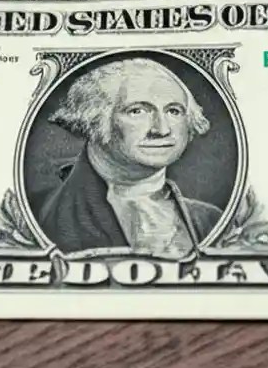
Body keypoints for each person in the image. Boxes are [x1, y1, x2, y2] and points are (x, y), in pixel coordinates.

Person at [36, 58, 223, 258]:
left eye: (173, 111)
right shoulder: (41, 213)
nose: (162, 130)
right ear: (95, 120)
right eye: (137, 111)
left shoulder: (210, 220)